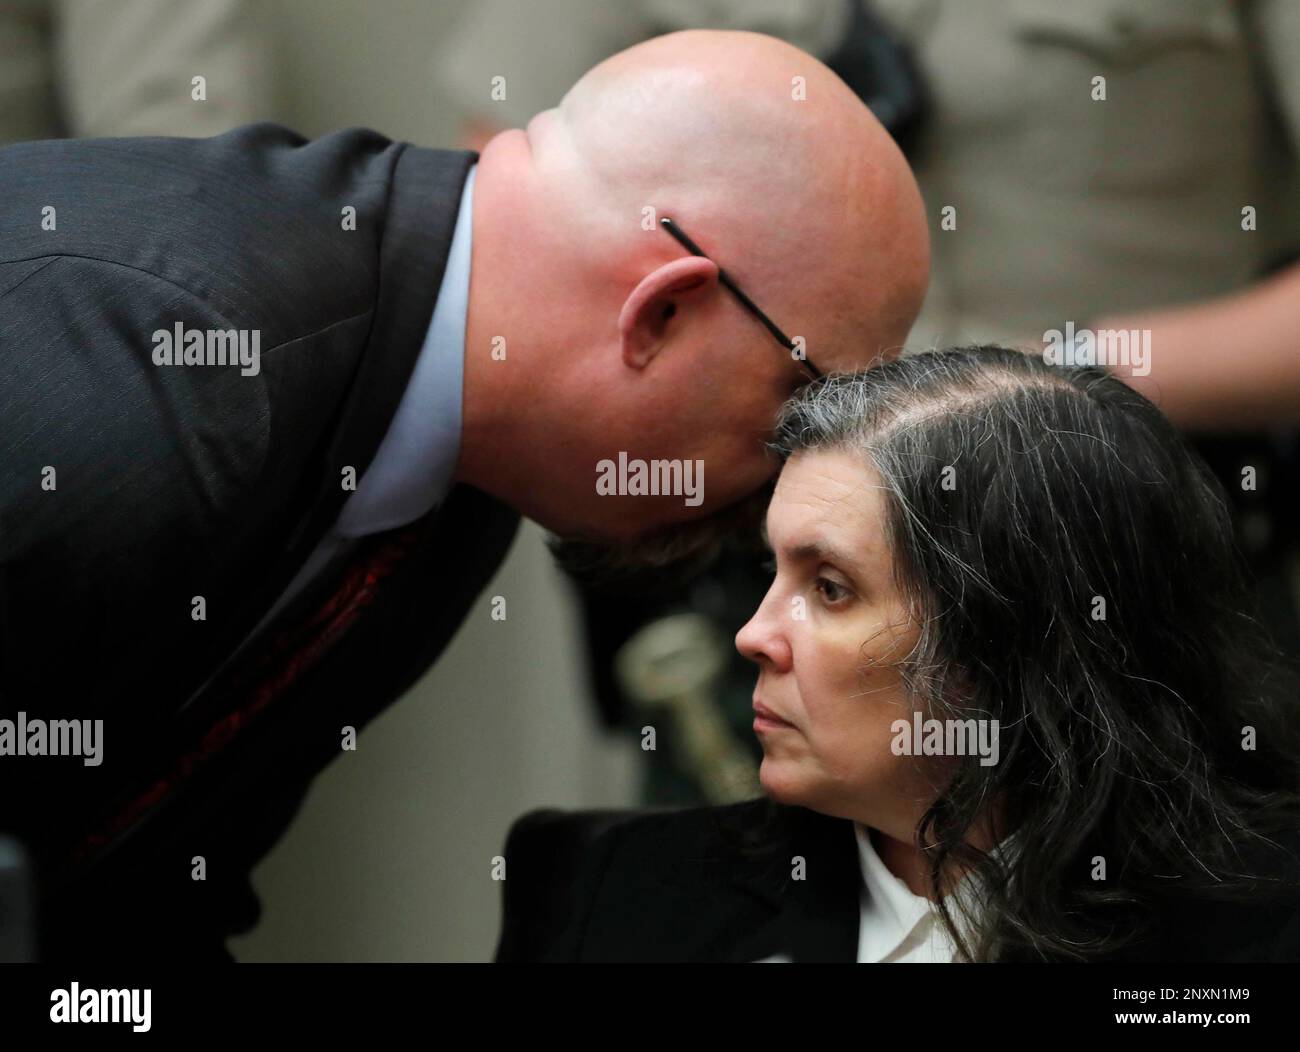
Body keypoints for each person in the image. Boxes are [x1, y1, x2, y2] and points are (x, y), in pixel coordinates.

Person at [0, 29, 929, 960]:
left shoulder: (462, 471)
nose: (788, 485)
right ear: (662, 311)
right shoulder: (154, 353)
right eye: (802, 410)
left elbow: (145, 895)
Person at [496, 346, 1300, 963]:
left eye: (832, 588)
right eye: (772, 571)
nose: (752, 634)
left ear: (1007, 637)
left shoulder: (1254, 933)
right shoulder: (609, 894)